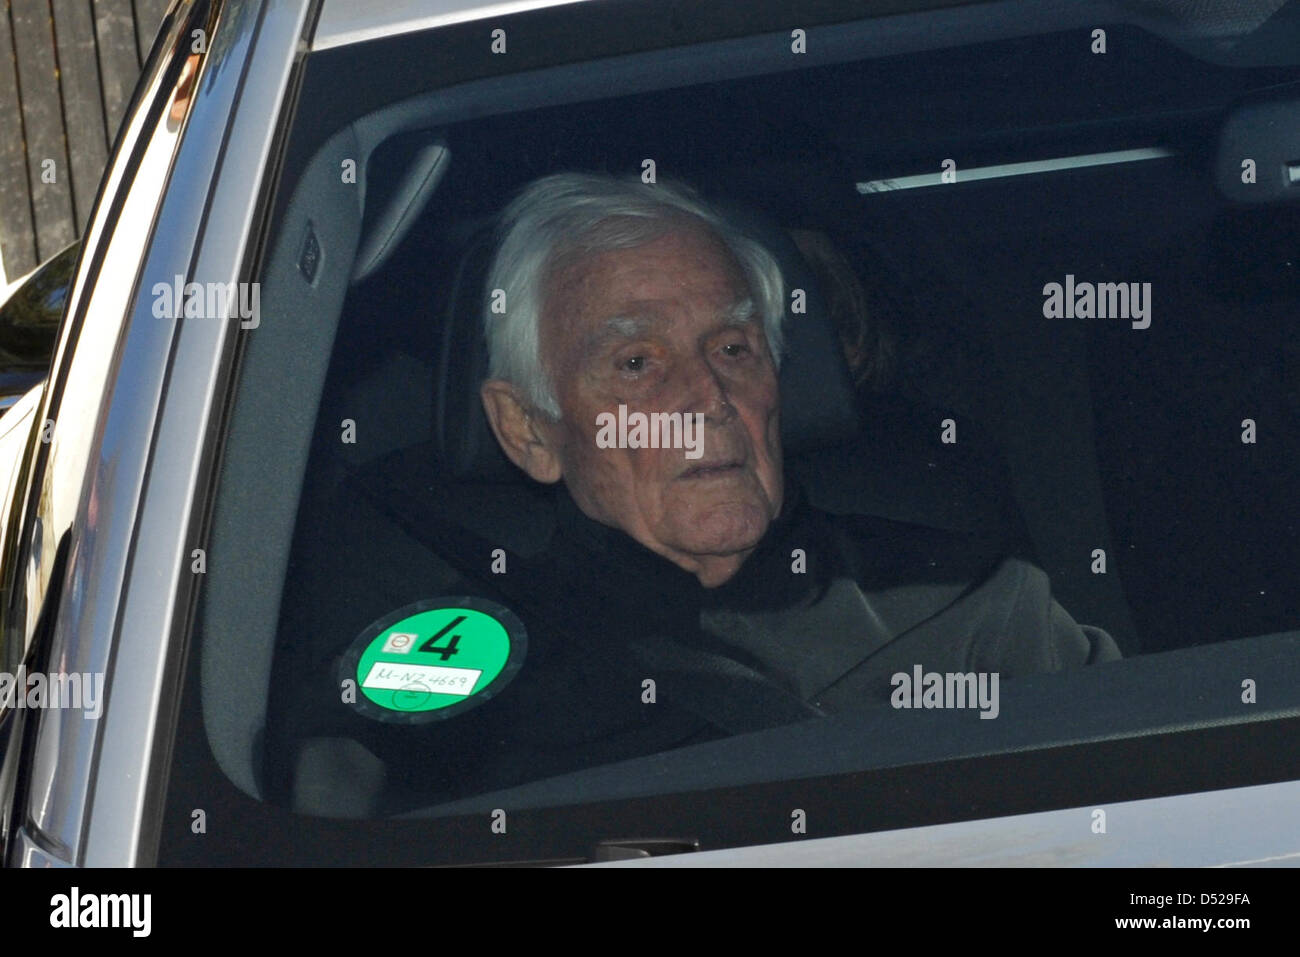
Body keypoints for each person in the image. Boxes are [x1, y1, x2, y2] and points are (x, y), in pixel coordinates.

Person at [272, 172, 1120, 813]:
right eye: (637, 364)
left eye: (733, 349)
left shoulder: (977, 606)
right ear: (531, 429)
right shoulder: (444, 669)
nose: (706, 400)